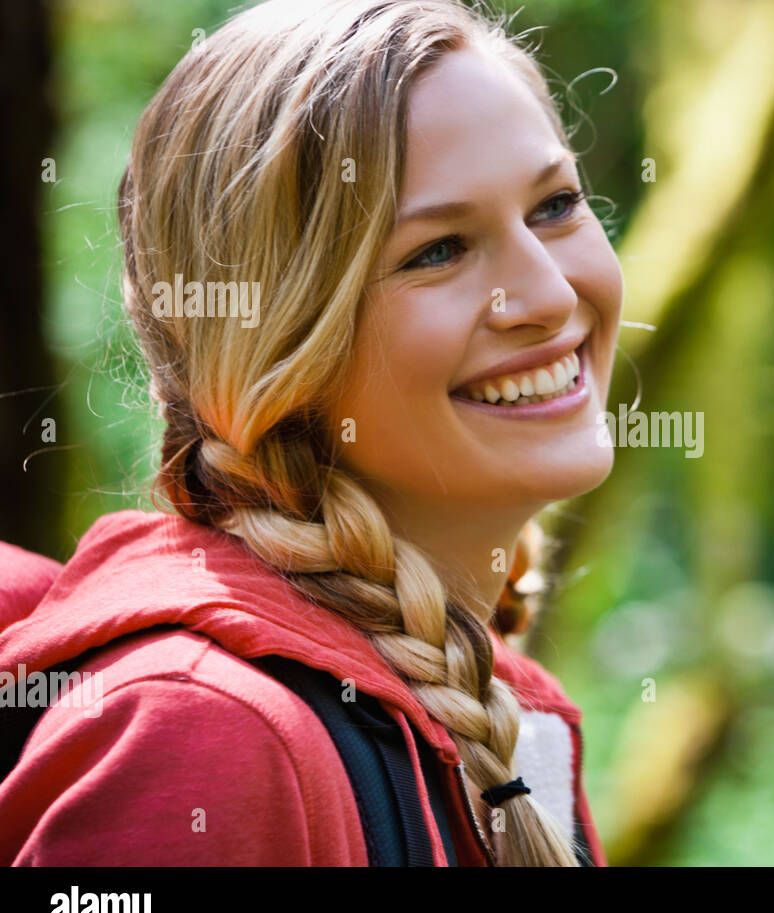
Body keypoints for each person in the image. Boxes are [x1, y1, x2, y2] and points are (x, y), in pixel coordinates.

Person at [0, 0, 622, 867]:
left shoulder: (510, 724)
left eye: (556, 205)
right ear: (275, 346)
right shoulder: (209, 736)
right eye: (438, 251)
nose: (552, 295)